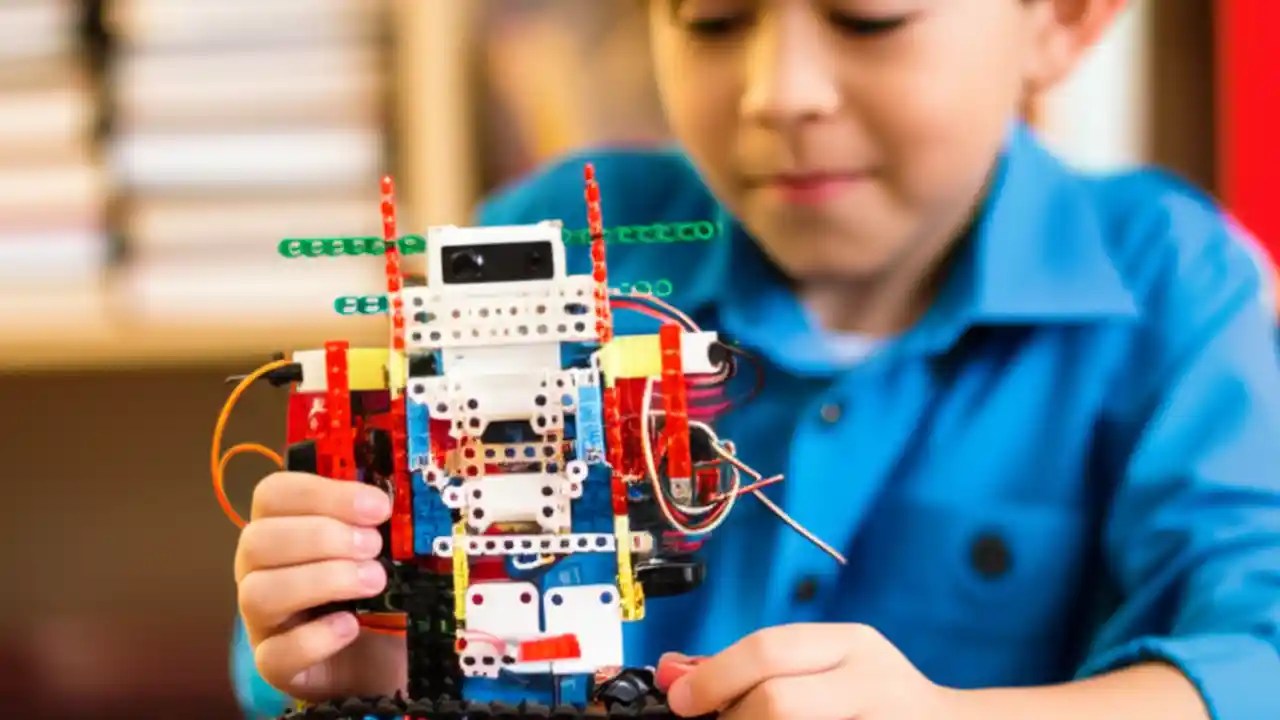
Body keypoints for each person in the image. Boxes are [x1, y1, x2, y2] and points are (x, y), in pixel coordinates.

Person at [231, 0, 1280, 718]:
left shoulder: (1175, 283)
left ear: (1059, 19)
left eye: (867, 15)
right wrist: (377, 660)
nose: (777, 92)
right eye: (712, 17)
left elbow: (1258, 650)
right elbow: (332, 641)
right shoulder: (545, 247)